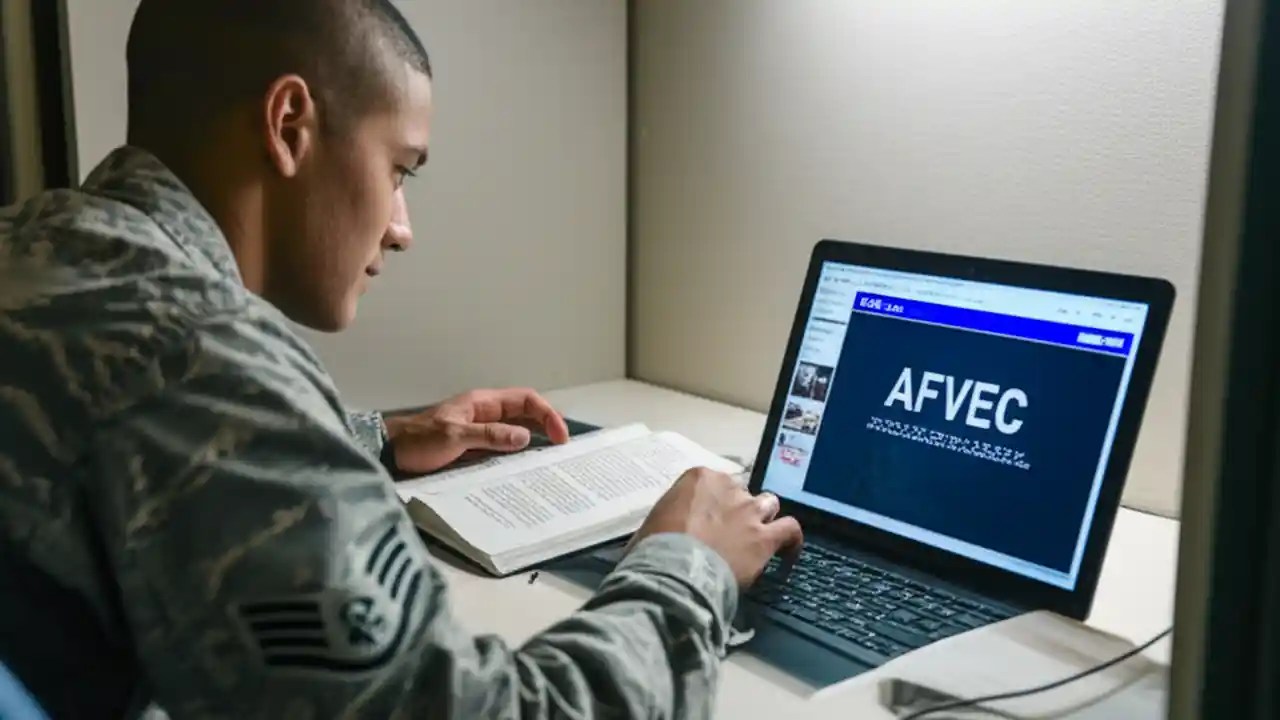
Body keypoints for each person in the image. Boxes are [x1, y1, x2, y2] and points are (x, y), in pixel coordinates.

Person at [0, 1, 804, 718]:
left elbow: (132, 436)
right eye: (398, 170)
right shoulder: (205, 359)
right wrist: (685, 563)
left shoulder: (40, 252)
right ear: (288, 126)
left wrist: (376, 438)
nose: (401, 226)